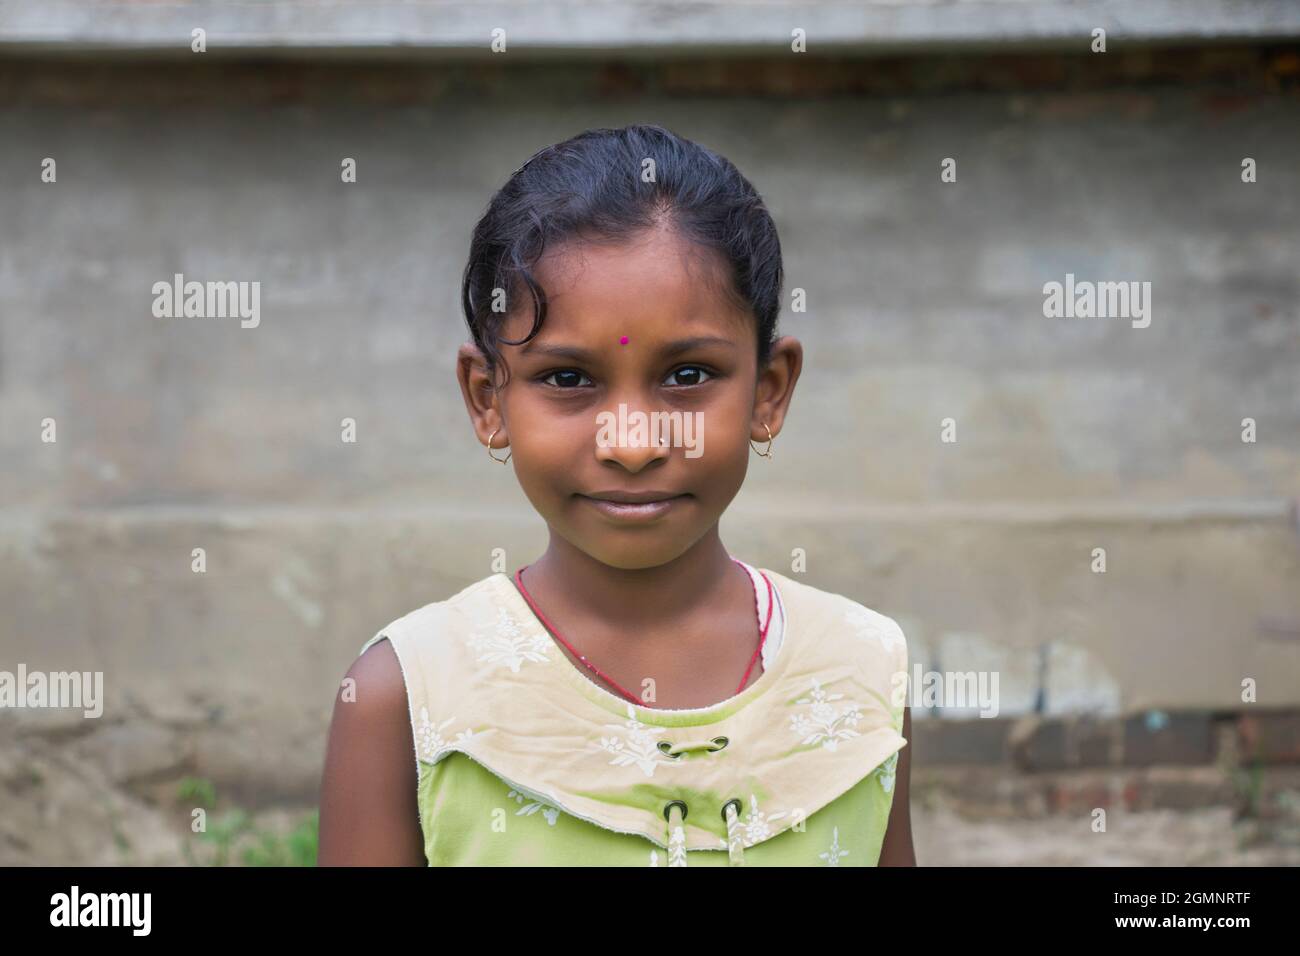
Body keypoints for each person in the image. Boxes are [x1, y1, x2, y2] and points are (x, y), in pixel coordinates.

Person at [318, 124, 915, 866]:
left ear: (769, 391)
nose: (632, 442)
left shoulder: (862, 670)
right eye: (568, 379)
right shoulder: (405, 698)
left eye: (688, 375)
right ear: (487, 399)